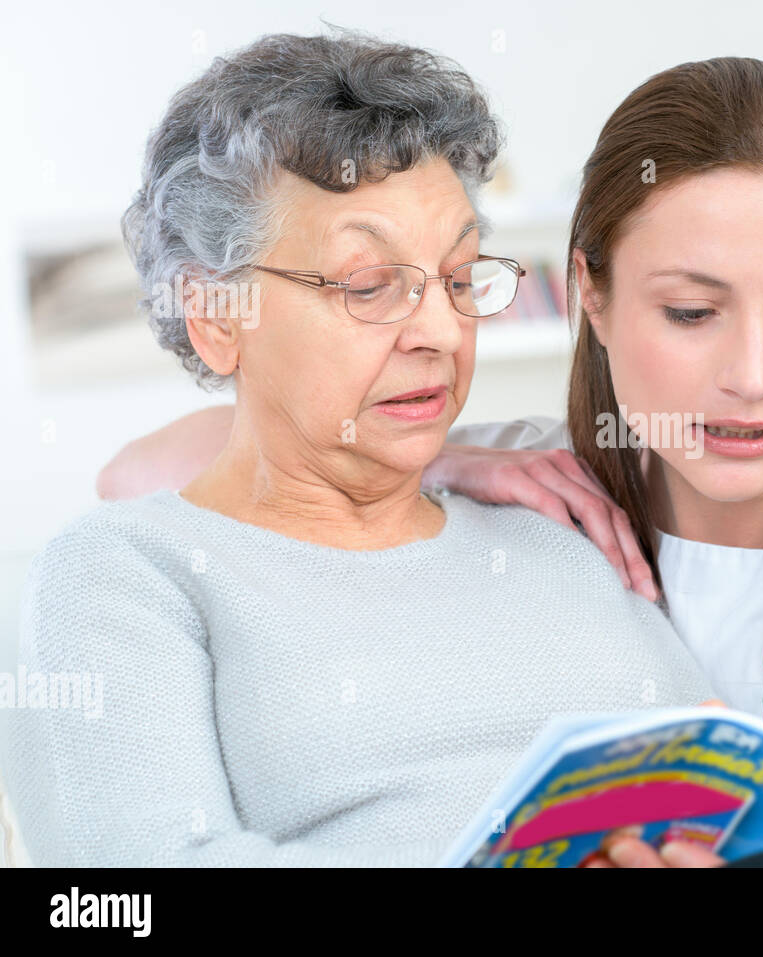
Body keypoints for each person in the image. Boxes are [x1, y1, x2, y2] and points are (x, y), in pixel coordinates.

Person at [98, 57, 763, 867]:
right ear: (592, 296)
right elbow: (148, 481)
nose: (752, 377)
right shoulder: (536, 493)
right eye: (692, 312)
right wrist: (458, 456)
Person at [1, 31, 720, 867]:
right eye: (371, 286)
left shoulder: (553, 526)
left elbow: (711, 776)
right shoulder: (122, 572)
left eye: (458, 278)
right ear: (215, 317)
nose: (444, 332)